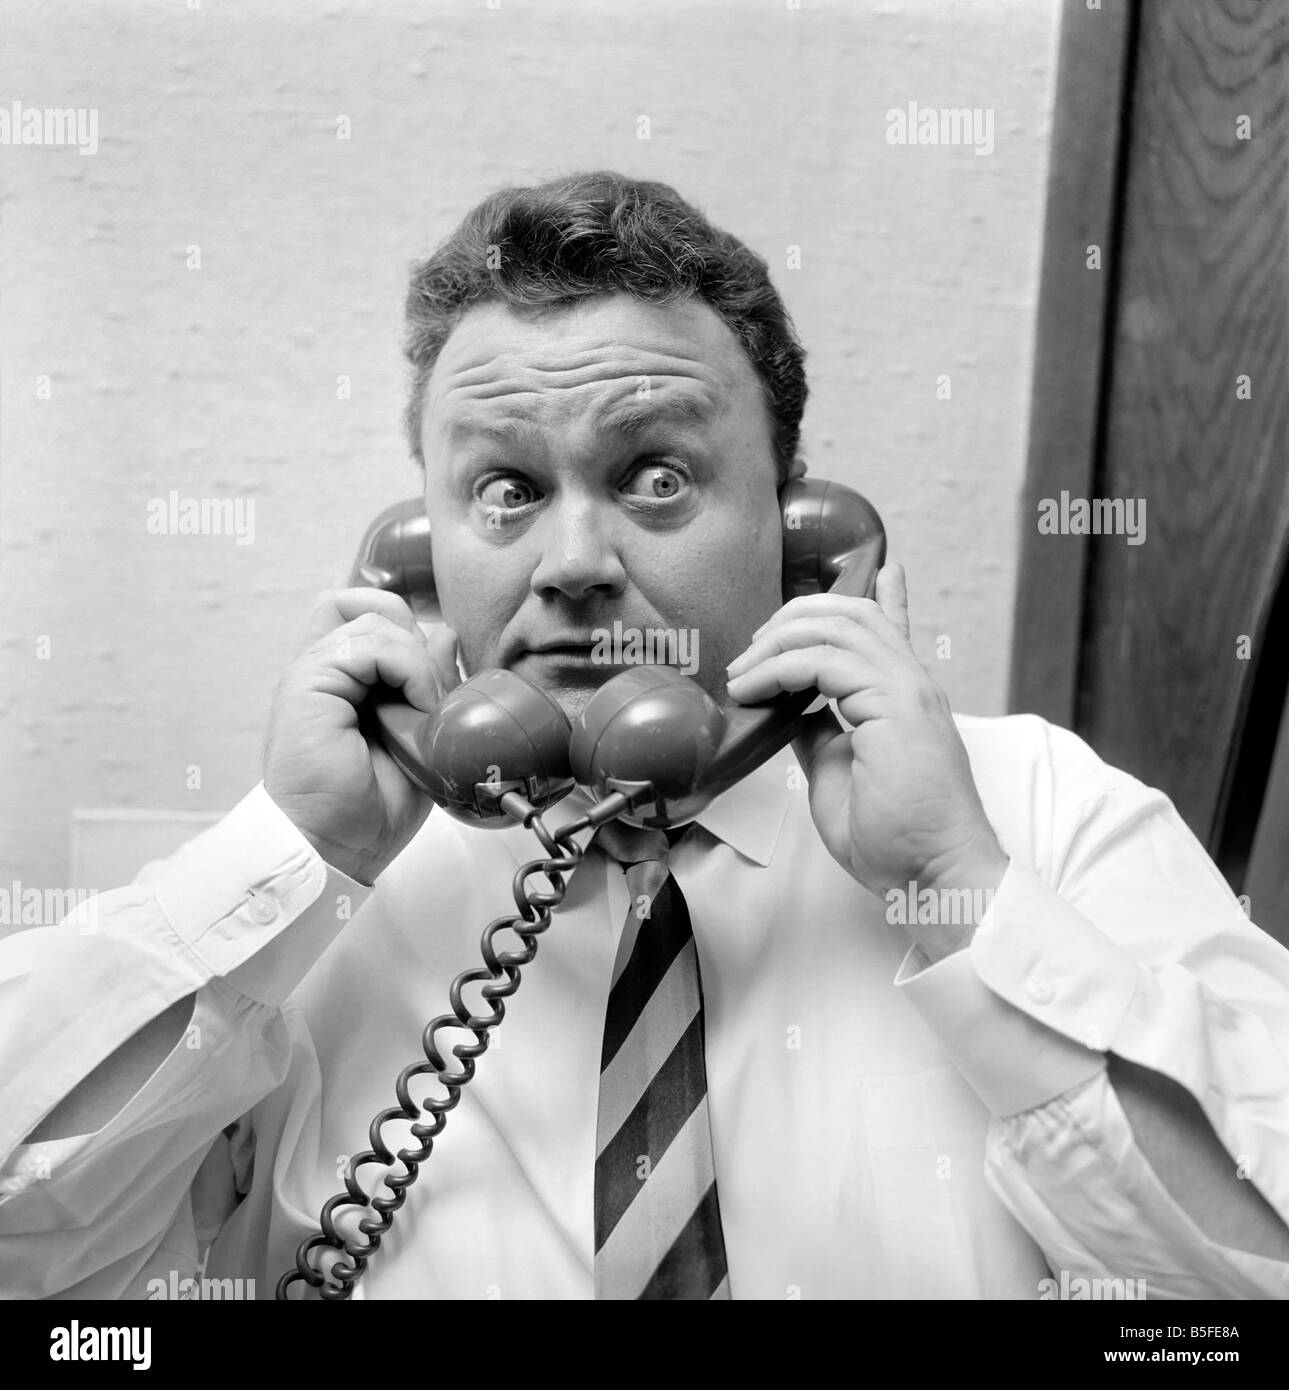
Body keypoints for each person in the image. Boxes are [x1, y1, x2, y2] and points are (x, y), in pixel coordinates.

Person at [2, 170, 1288, 1301]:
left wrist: (955, 890)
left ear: (797, 536)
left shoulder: (1036, 812)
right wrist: (283, 860)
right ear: (422, 558)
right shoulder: (299, 906)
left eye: (654, 477)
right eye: (504, 490)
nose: (571, 563)